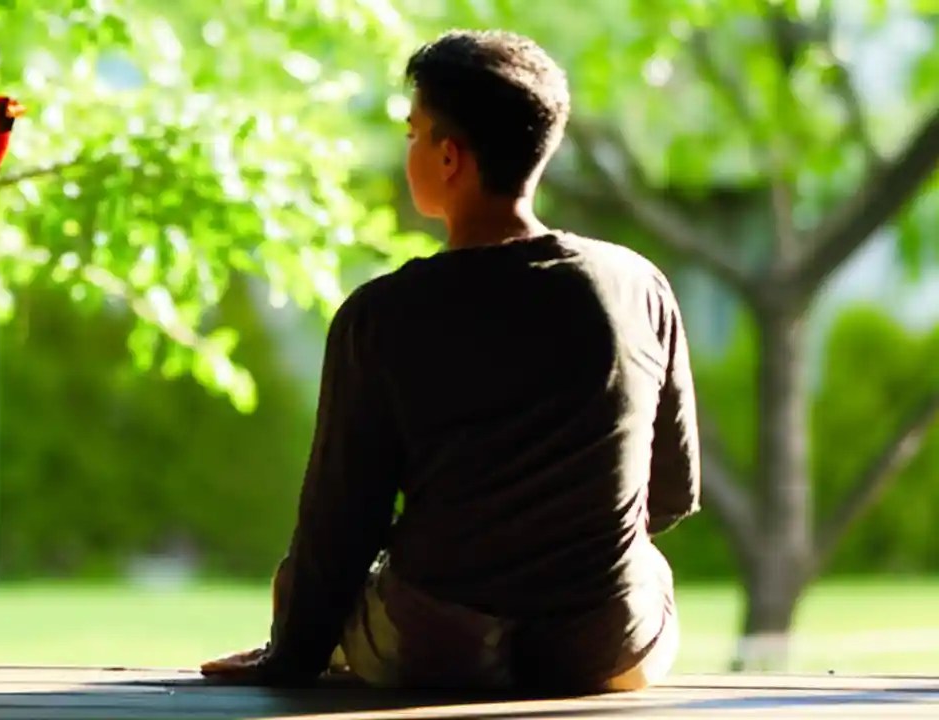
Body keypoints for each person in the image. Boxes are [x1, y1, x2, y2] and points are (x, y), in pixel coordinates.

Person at [201, 28, 700, 695]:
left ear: (449, 159)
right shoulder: (637, 286)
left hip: (436, 645)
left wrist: (288, 660)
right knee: (647, 566)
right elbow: (670, 492)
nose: (408, 148)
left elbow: (340, 525)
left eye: (413, 133)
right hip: (604, 642)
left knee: (303, 580)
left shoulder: (380, 316)